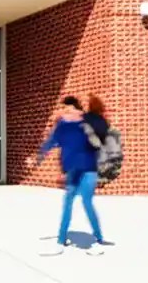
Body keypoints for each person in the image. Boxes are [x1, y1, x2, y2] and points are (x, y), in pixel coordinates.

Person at [29, 95, 107, 255]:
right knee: (68, 203)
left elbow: (101, 131)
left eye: (69, 108)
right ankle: (61, 240)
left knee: (87, 202)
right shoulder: (63, 125)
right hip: (72, 170)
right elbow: (50, 142)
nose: (66, 112)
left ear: (76, 108)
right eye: (65, 109)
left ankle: (98, 239)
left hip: (89, 169)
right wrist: (37, 159)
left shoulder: (88, 121)